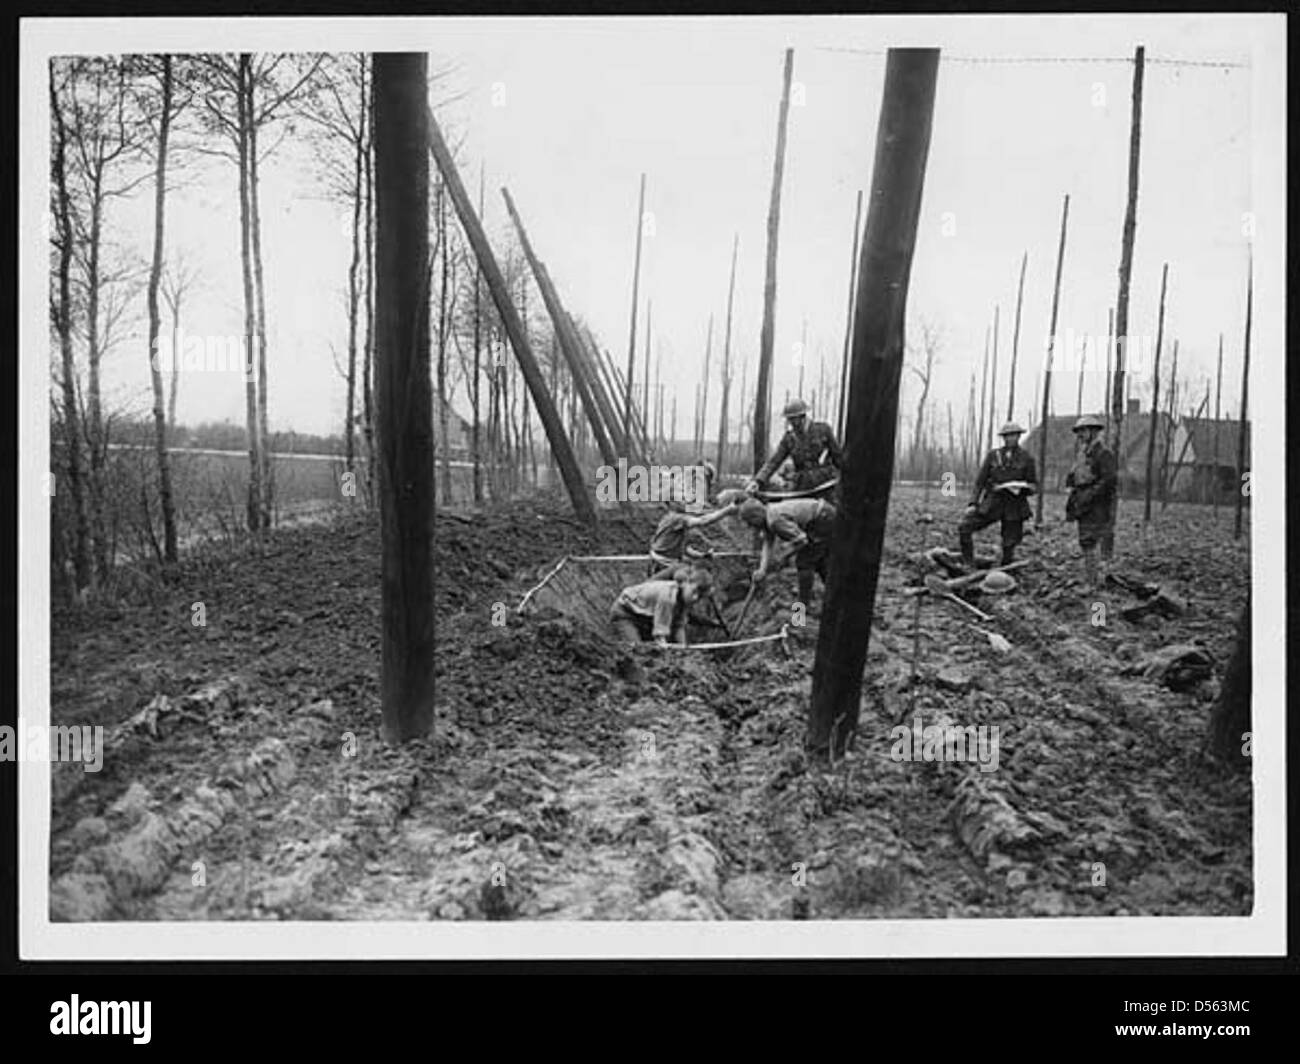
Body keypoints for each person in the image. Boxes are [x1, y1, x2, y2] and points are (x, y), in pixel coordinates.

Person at [738, 495, 837, 613]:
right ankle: (837, 601)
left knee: (804, 563)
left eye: (749, 522)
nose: (750, 526)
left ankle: (800, 614)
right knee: (821, 563)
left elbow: (801, 541)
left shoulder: (775, 521)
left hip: (823, 519)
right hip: (825, 515)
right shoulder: (769, 514)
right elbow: (768, 543)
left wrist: (783, 556)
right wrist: (762, 570)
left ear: (756, 516)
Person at [958, 421, 1038, 567]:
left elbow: (1033, 485)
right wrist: (973, 503)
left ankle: (1005, 571)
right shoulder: (993, 456)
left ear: (1019, 437)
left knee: (1009, 543)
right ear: (1003, 438)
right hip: (992, 503)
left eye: (1013, 435)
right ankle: (968, 564)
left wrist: (1022, 488)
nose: (1010, 439)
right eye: (1007, 436)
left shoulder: (1027, 458)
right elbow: (979, 482)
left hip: (1015, 505)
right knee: (964, 527)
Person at [745, 398, 841, 494]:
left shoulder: (823, 430)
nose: (793, 423)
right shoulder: (789, 439)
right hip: (803, 486)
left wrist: (846, 477)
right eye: (790, 419)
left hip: (826, 484)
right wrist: (757, 481)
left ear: (803, 416)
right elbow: (773, 462)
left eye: (794, 419)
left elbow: (838, 458)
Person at [1065, 414, 1118, 588]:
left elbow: (1109, 480)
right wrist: (1071, 483)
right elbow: (1075, 473)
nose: (1080, 435)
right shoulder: (1083, 452)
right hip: (1083, 502)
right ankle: (1092, 579)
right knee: (1085, 540)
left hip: (1097, 505)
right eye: (1078, 431)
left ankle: (1094, 583)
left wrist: (1091, 494)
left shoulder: (1104, 453)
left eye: (1083, 431)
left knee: (1091, 541)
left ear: (1093, 432)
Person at [609, 567, 713, 646]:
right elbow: (660, 634)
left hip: (644, 616)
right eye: (694, 592)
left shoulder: (684, 600)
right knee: (638, 651)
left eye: (699, 596)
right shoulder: (667, 597)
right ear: (686, 583)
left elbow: (678, 626)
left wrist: (683, 649)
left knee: (652, 650)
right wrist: (664, 648)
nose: (695, 598)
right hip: (625, 612)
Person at [649, 496, 738, 575]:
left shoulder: (670, 518)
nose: (685, 503)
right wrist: (728, 510)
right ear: (672, 503)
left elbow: (684, 548)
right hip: (663, 564)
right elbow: (703, 520)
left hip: (662, 561)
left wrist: (701, 555)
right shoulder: (676, 518)